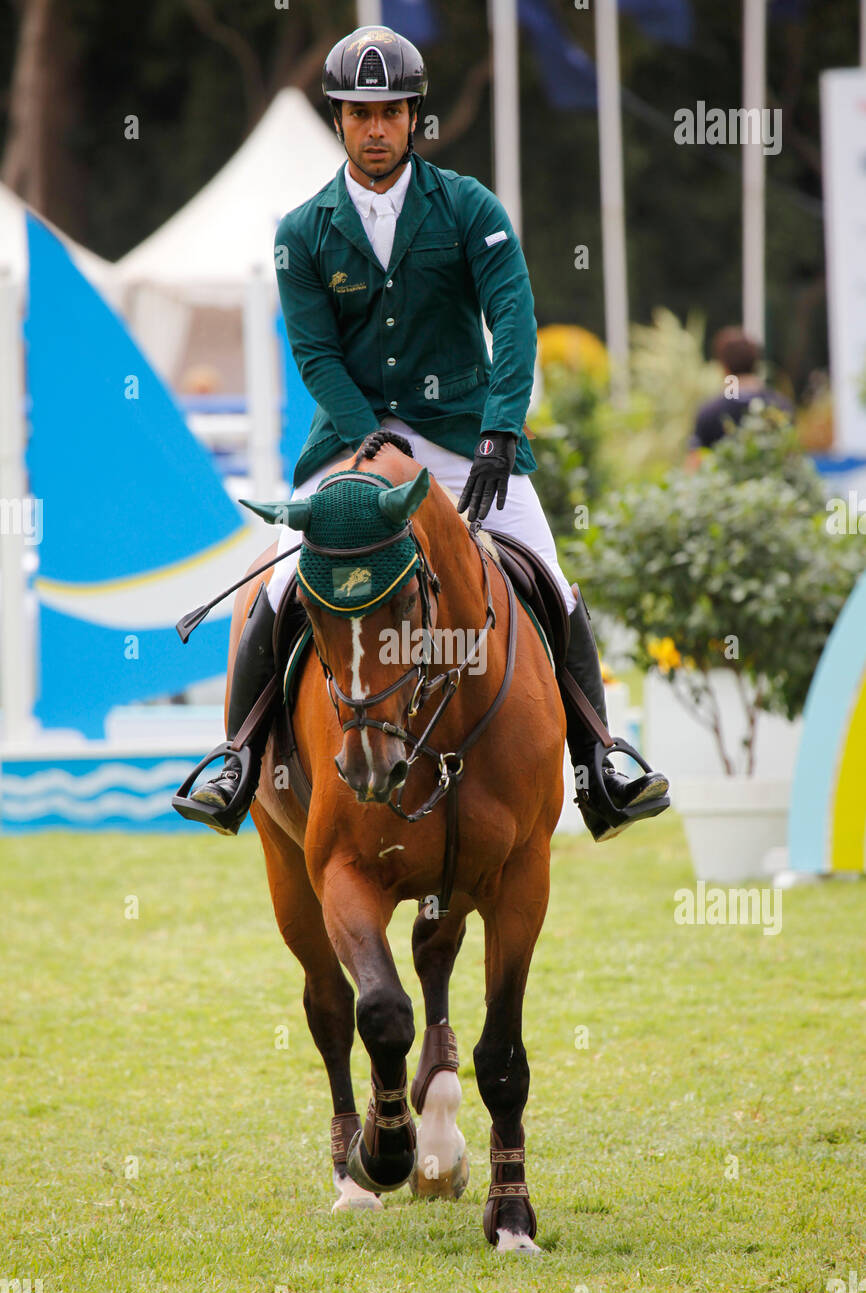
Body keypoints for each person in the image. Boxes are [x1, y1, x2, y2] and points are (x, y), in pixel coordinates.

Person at [189, 23, 669, 840]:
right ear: (338, 119)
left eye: (390, 112)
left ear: (414, 117)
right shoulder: (302, 232)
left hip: (463, 443)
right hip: (349, 446)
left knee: (550, 577)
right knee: (274, 584)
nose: (375, 129)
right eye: (359, 113)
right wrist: (369, 441)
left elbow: (513, 318)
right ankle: (237, 759)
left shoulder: (469, 208)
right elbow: (315, 353)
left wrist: (499, 434)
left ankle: (599, 760)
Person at [686, 326, 794, 470]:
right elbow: (792, 458)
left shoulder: (710, 412)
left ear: (723, 366)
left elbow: (694, 465)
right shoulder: (780, 406)